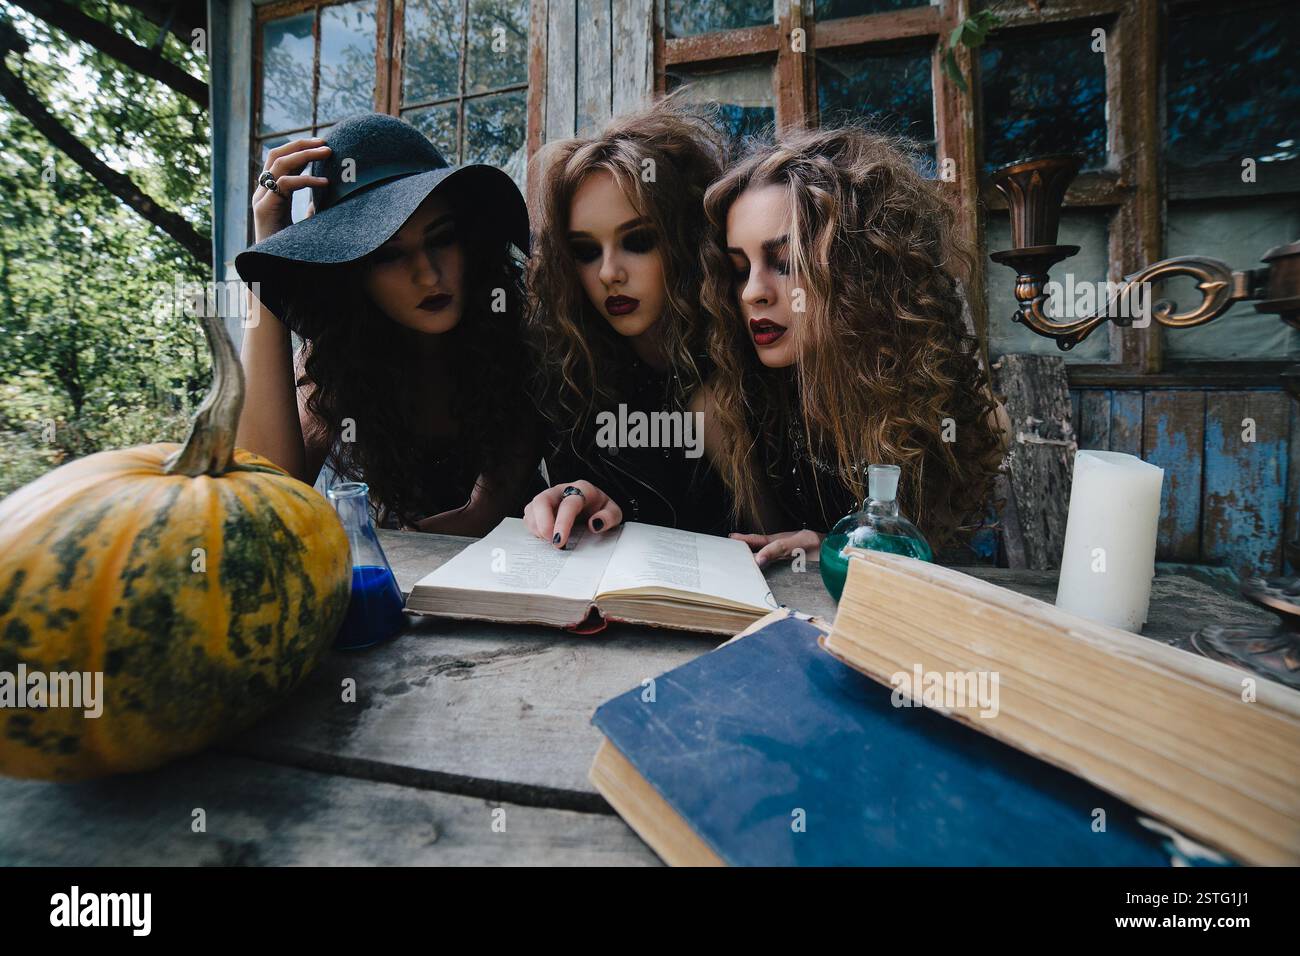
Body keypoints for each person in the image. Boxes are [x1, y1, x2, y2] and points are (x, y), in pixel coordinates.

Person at [696, 124, 1010, 566]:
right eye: (739, 268)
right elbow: (768, 554)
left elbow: (936, 566)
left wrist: (837, 550)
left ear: (862, 274)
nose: (752, 293)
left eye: (785, 263)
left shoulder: (960, 415)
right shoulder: (725, 410)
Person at [234, 112, 543, 534]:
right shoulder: (335, 363)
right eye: (389, 254)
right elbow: (263, 499)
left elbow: (480, 518)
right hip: (406, 583)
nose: (429, 275)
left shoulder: (517, 338)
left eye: (441, 238)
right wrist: (268, 262)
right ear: (354, 271)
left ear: (470, 241)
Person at [521, 97, 733, 548]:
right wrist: (581, 499)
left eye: (637, 241)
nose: (608, 273)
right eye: (585, 250)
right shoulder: (570, 370)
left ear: (685, 240)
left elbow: (777, 538)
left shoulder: (744, 357)